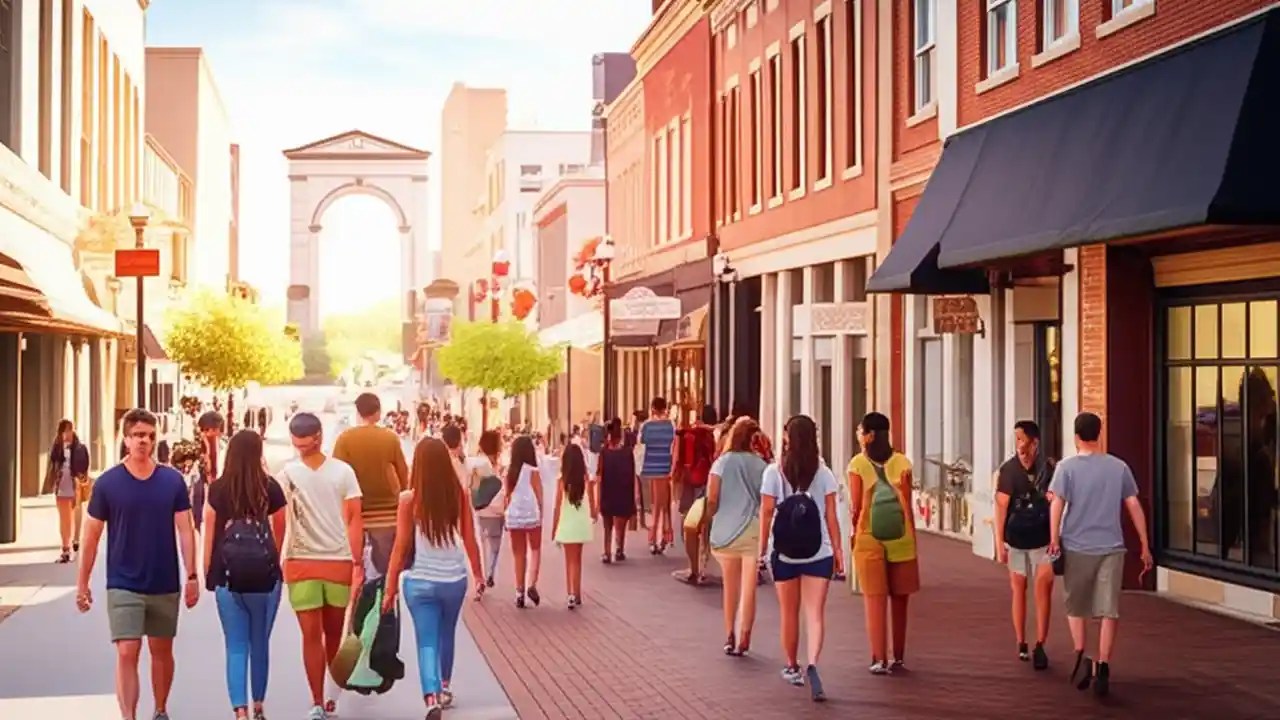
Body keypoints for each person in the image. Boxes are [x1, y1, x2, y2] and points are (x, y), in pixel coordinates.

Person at [77, 408, 199, 720]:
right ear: (126, 439)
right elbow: (91, 535)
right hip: (123, 582)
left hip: (163, 580)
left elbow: (185, 530)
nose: (144, 441)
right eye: (138, 435)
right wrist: (82, 583)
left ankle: (160, 709)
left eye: (149, 436)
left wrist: (192, 575)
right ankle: (129, 715)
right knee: (127, 650)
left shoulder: (171, 481)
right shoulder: (108, 483)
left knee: (162, 651)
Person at [1049, 412, 1152, 697]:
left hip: (1076, 546)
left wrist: (1054, 539)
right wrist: (1144, 543)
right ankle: (1104, 664)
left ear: (1076, 437)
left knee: (1076, 605)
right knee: (1108, 609)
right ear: (1099, 434)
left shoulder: (1066, 468)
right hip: (1111, 546)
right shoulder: (1119, 467)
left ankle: (1082, 655)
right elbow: (1133, 505)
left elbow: (1056, 504)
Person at [383, 437, 486, 718]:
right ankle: (445, 686)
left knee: (426, 639)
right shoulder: (458, 495)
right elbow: (469, 538)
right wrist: (479, 574)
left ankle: (431, 697)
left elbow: (400, 547)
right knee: (446, 633)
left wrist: (390, 588)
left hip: (419, 581)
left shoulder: (408, 499)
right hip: (453, 578)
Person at [276, 412, 365, 720]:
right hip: (300, 561)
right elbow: (277, 518)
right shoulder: (287, 475)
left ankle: (329, 697)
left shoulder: (343, 472)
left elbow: (354, 518)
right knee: (312, 634)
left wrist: (356, 561)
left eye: (306, 443)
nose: (301, 449)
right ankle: (318, 701)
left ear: (319, 437)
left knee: (332, 634)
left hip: (337, 561)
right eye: (297, 444)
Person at [203, 430, 287, 720]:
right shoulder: (270, 487)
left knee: (236, 645)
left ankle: (240, 710)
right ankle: (259, 705)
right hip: (266, 578)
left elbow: (209, 531)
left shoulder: (218, 489)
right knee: (259, 642)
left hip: (227, 576)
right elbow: (280, 530)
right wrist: (273, 561)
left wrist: (207, 570)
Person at [759, 415, 842, 702]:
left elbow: (766, 513)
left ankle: (792, 666)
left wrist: (761, 551)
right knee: (815, 613)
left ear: (788, 438)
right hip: (819, 551)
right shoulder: (824, 472)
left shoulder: (774, 472)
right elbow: (831, 516)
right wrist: (839, 552)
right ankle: (813, 663)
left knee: (789, 613)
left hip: (784, 553)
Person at [849, 412, 920, 676]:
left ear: (869, 435)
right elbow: (907, 504)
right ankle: (898, 656)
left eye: (861, 431)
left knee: (874, 599)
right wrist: (912, 537)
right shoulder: (903, 462)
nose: (859, 435)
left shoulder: (857, 464)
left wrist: (854, 536)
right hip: (902, 536)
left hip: (869, 537)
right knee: (900, 600)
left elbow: (856, 507)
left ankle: (879, 658)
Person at [995, 420, 1056, 668]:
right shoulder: (1008, 471)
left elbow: (1058, 504)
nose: (1019, 446)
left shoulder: (1049, 468)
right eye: (1017, 440)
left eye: (1023, 440)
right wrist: (999, 543)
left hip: (1043, 539)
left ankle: (1040, 643)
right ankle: (1021, 641)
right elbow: (1001, 507)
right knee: (1018, 587)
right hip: (1017, 539)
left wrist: (1056, 538)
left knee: (1043, 589)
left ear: (1035, 443)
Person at [706, 417, 768, 656]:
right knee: (748, 589)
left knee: (730, 587)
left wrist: (706, 520)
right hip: (752, 530)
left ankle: (729, 635)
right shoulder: (761, 465)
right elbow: (767, 500)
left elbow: (712, 499)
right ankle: (745, 637)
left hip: (726, 531)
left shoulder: (721, 463)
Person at [331, 392, 409, 578]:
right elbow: (403, 474)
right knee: (387, 571)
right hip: (387, 514)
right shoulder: (390, 438)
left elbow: (336, 476)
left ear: (358, 412)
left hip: (356, 514)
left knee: (357, 570)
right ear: (378, 412)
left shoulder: (344, 439)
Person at [676, 405, 718, 585]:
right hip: (707, 481)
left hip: (689, 481)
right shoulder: (714, 434)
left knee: (689, 523)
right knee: (705, 525)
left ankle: (693, 567)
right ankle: (704, 565)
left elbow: (679, 459)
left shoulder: (688, 433)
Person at [553, 443, 596, 608]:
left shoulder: (562, 481)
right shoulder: (585, 480)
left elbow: (557, 506)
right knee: (577, 560)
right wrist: (593, 515)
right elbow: (591, 502)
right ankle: (576, 593)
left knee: (569, 560)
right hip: (581, 524)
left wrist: (554, 528)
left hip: (567, 525)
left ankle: (570, 593)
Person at [504, 435, 544, 608]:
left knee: (518, 554)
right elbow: (539, 493)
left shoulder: (510, 471)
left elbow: (506, 495)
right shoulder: (532, 470)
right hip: (531, 514)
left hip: (514, 514)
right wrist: (541, 512)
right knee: (535, 549)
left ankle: (519, 591)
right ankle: (531, 584)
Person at [45, 418, 91, 563]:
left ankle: (76, 539)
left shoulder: (80, 447)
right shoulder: (56, 448)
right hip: (61, 486)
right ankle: (65, 548)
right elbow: (52, 465)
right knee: (64, 518)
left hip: (75, 485)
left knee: (76, 513)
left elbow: (85, 465)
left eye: (69, 430)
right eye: (64, 431)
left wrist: (81, 478)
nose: (67, 433)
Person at [638, 397, 677, 554]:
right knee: (662, 503)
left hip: (650, 467)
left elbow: (641, 441)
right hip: (665, 465)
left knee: (656, 503)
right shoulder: (670, 425)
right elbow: (674, 444)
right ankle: (662, 535)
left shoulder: (647, 425)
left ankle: (654, 536)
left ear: (653, 408)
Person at [468, 429, 506, 587]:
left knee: (483, 541)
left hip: (482, 508)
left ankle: (483, 575)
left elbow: (473, 487)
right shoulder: (498, 466)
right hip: (497, 509)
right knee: (495, 544)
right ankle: (489, 572)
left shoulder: (477, 464)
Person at [596, 418, 636, 563]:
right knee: (621, 523)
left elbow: (599, 475)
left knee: (607, 525)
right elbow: (632, 475)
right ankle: (620, 549)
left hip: (608, 490)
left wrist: (597, 498)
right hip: (623, 491)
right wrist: (634, 496)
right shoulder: (628, 452)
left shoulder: (604, 452)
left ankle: (607, 552)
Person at [192, 411, 227, 533]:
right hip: (202, 492)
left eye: (212, 430)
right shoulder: (194, 451)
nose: (208, 434)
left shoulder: (226, 448)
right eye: (204, 430)